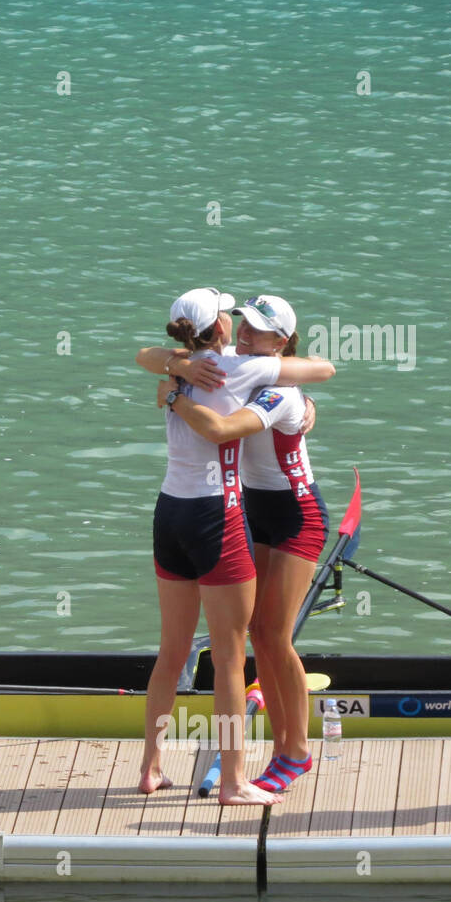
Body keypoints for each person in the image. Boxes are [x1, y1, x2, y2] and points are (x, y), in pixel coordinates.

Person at [135, 287, 335, 805]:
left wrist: (173, 390)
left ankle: (293, 750)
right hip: (244, 508)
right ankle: (265, 755)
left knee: (273, 634)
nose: (246, 333)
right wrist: (176, 367)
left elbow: (226, 427)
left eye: (259, 330)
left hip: (295, 515)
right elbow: (150, 355)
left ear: (283, 341)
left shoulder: (278, 387)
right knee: (255, 635)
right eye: (241, 323)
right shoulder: (234, 364)